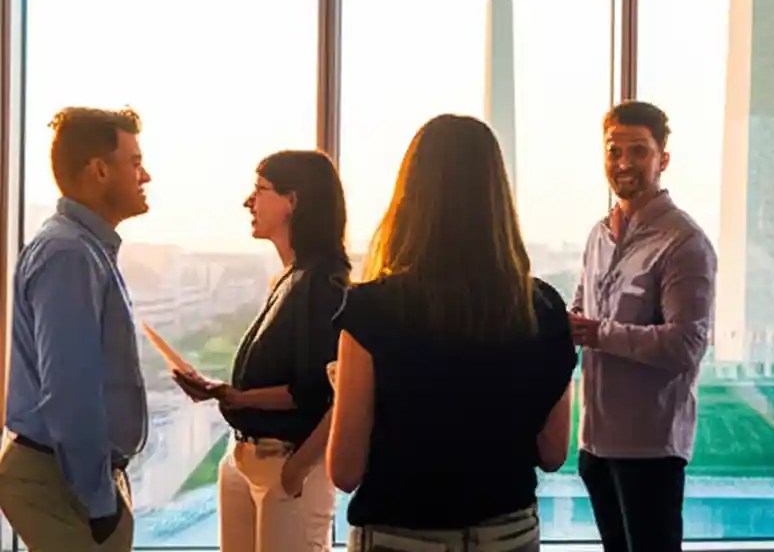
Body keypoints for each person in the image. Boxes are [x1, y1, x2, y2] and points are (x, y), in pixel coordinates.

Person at [327, 115, 576, 552]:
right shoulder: (544, 309)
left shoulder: (371, 311)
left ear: (410, 198)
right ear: (498, 195)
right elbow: (553, 453)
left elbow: (345, 470)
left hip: (398, 536)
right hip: (510, 534)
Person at [172, 150, 348, 551]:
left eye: (260, 190)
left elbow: (322, 391)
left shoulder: (322, 285)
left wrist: (296, 470)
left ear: (294, 201)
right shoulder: (289, 278)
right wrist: (225, 392)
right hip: (247, 457)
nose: (248, 202)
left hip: (284, 463)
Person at [0, 107, 151, 551]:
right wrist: (101, 504)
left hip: (72, 474)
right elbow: (70, 391)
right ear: (100, 170)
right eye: (135, 162)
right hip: (61, 478)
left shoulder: (83, 248)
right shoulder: (69, 254)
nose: (147, 176)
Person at [569, 101, 715, 552]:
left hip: (649, 450)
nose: (624, 163)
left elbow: (686, 344)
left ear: (662, 160)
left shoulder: (684, 243)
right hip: (595, 445)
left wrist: (600, 334)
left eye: (638, 151)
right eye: (614, 151)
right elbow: (580, 312)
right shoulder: (599, 234)